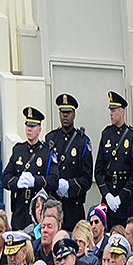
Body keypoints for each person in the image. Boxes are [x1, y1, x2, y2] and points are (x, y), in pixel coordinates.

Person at [45, 94, 94, 228]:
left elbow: (87, 179)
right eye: (62, 112)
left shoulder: (82, 141)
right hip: (54, 205)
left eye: (68, 112)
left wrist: (69, 186)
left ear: (74, 114)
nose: (65, 115)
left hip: (74, 206)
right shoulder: (51, 138)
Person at [95, 91, 133, 222]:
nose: (111, 113)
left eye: (114, 110)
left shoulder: (132, 136)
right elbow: (98, 170)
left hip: (125, 200)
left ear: (122, 112)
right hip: (108, 196)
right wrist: (107, 195)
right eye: (110, 110)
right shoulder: (106, 134)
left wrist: (121, 197)